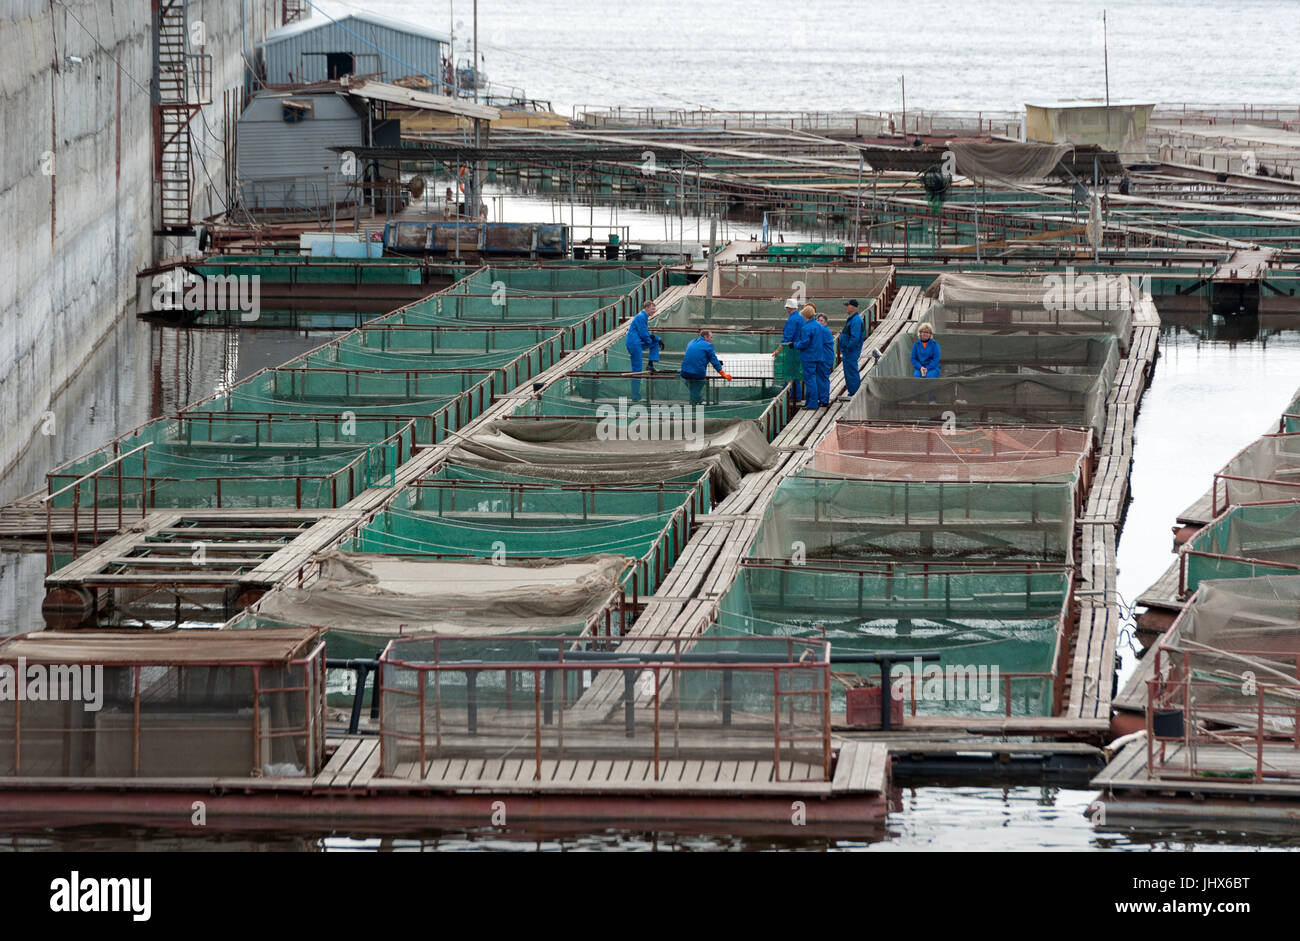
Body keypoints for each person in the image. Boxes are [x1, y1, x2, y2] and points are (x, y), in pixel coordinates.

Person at [681, 328, 731, 406]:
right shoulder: (708, 345)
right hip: (697, 373)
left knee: (690, 384)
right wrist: (723, 374)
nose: (712, 339)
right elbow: (714, 361)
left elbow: (696, 355)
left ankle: (696, 399)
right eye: (711, 337)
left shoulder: (691, 342)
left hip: (685, 372)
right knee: (700, 384)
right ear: (705, 337)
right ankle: (695, 403)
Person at [793, 305, 830, 410]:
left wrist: (795, 344)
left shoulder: (806, 328)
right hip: (818, 356)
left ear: (805, 316)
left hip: (808, 357)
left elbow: (804, 343)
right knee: (814, 379)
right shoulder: (819, 326)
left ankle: (812, 404)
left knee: (810, 380)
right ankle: (810, 402)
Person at [625, 300, 657, 400]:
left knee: (656, 342)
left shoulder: (643, 317)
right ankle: (635, 395)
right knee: (637, 369)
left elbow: (644, 333)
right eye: (652, 309)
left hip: (637, 342)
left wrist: (653, 339)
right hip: (634, 344)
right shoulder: (641, 317)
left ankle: (650, 364)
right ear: (646, 308)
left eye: (654, 309)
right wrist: (649, 339)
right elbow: (643, 333)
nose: (654, 311)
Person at [839, 299, 866, 399]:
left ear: (853, 307)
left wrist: (847, 348)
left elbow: (855, 337)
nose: (846, 307)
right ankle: (852, 392)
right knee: (849, 372)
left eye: (848, 305)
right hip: (849, 351)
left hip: (851, 352)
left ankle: (855, 394)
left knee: (851, 372)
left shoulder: (856, 320)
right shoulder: (853, 319)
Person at [779, 297, 804, 403]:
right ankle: (795, 395)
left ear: (789, 308)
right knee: (796, 372)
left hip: (791, 349)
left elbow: (788, 335)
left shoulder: (792, 319)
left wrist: (781, 346)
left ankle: (790, 395)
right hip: (798, 348)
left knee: (790, 371)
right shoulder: (800, 317)